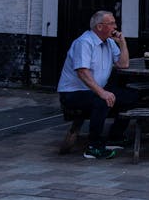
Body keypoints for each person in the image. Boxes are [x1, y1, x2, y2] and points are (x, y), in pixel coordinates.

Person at [57, 10, 136, 160]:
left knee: (131, 97)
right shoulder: (84, 43)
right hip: (73, 93)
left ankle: (115, 136)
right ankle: (94, 146)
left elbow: (123, 64)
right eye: (111, 23)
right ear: (99, 27)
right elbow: (82, 72)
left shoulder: (110, 42)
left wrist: (123, 43)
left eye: (114, 23)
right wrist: (102, 92)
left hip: (93, 90)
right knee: (102, 101)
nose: (115, 26)